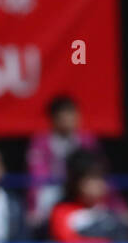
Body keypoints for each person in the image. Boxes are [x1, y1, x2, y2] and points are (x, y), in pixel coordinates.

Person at [27, 93, 103, 226]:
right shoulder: (41, 142)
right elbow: (37, 177)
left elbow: (98, 171)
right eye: (63, 117)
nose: (68, 120)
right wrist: (33, 208)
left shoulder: (88, 140)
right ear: (53, 119)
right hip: (52, 190)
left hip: (82, 191)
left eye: (72, 115)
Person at [48, 148, 128, 243]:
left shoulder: (111, 212)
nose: (101, 184)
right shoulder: (61, 212)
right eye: (94, 178)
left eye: (102, 178)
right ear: (77, 182)